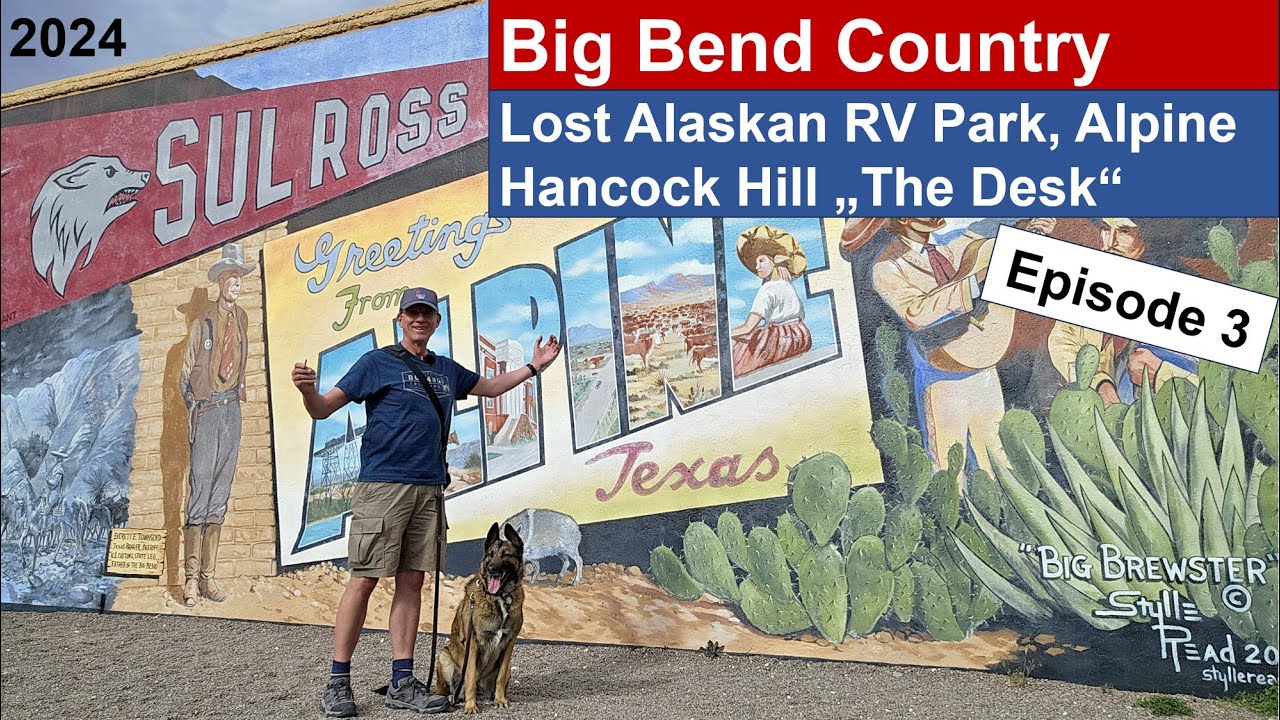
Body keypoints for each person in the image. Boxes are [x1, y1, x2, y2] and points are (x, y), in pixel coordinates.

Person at [292, 287, 561, 717]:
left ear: (436, 322)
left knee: (412, 581)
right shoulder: (376, 363)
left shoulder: (445, 370)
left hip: (429, 490)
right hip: (383, 488)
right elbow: (323, 409)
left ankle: (403, 681)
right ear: (400, 319)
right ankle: (338, 682)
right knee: (363, 580)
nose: (420, 319)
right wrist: (307, 391)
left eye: (428, 314)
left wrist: (534, 366)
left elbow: (490, 387)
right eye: (413, 312)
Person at [843, 217, 1007, 484]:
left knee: (997, 456)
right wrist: (973, 284)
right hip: (941, 375)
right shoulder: (887, 267)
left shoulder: (955, 242)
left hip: (983, 365)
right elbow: (916, 313)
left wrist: (1031, 229)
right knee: (948, 468)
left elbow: (991, 244)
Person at [179, 242, 254, 607]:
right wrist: (198, 406)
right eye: (230, 277)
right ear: (220, 282)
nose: (236, 283)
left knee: (220, 494)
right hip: (208, 412)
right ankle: (190, 578)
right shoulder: (203, 322)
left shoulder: (242, 320)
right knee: (199, 492)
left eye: (239, 277)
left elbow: (240, 364)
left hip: (231, 412)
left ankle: (209, 576)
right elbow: (184, 376)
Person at [730, 225, 812, 377]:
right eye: (755, 263)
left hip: (779, 341)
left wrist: (725, 334)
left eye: (762, 261)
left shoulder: (767, 289)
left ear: (773, 262)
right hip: (801, 336)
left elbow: (748, 327)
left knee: (734, 353)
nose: (757, 266)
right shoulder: (787, 284)